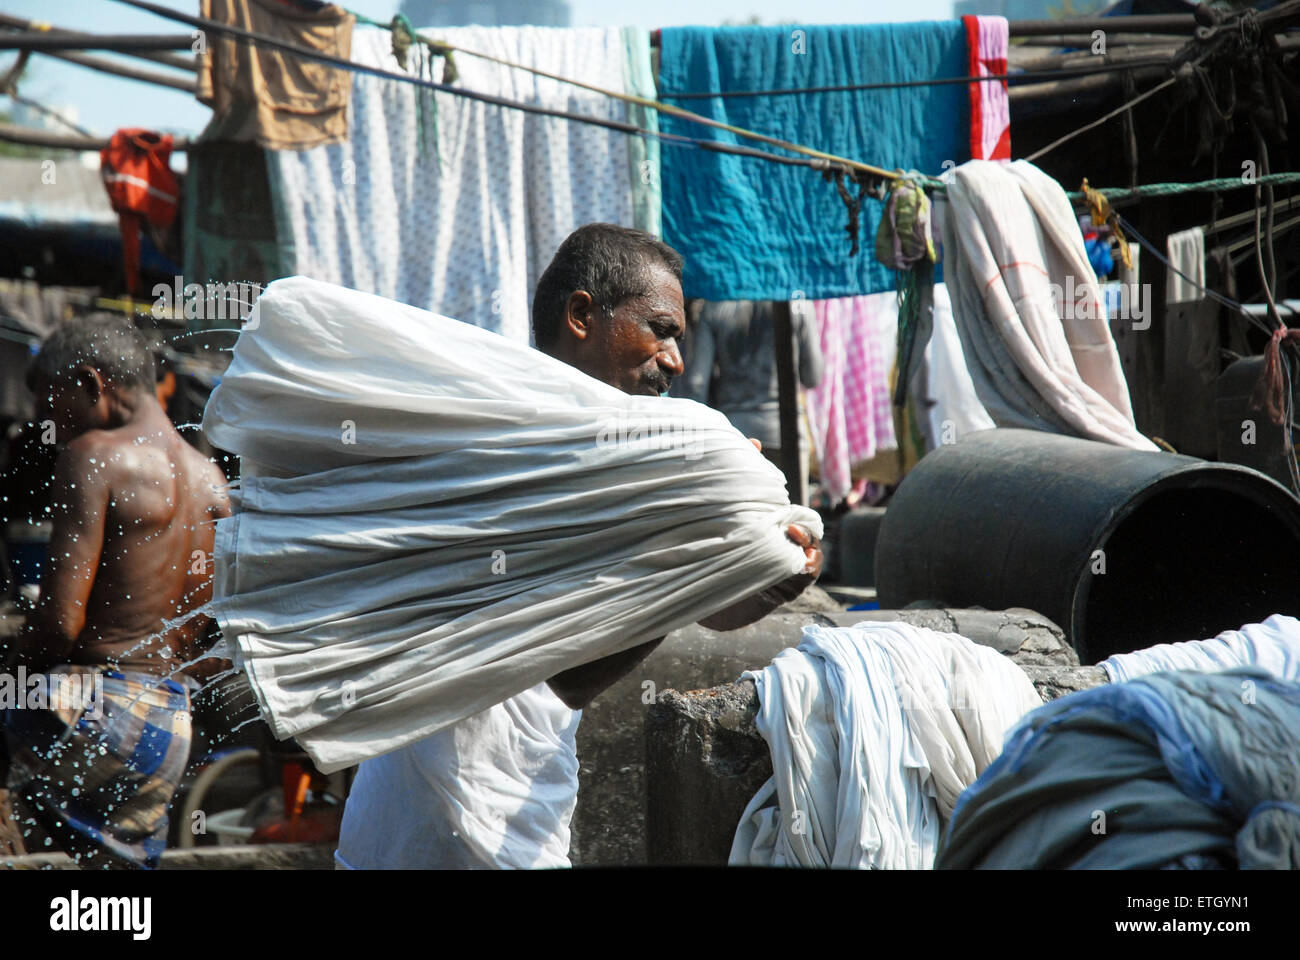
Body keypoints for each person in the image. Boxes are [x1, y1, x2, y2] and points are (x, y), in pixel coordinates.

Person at [335, 223, 822, 869]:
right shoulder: (515, 439)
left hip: (487, 793)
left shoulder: (624, 453)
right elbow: (563, 671)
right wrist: (695, 535)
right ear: (583, 315)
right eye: (661, 330)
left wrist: (758, 570)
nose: (675, 360)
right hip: (458, 804)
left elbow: (708, 613)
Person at [1, 316, 230, 868]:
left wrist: (11, 681)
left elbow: (59, 624)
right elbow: (208, 640)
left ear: (91, 385)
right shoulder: (212, 481)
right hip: (170, 728)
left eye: (51, 407)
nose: (44, 424)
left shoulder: (95, 456)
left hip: (93, 713)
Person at [674, 300, 824, 502]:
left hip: (735, 434)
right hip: (787, 435)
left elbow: (696, 384)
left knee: (741, 520)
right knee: (796, 523)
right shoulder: (798, 304)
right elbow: (812, 376)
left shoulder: (715, 306)